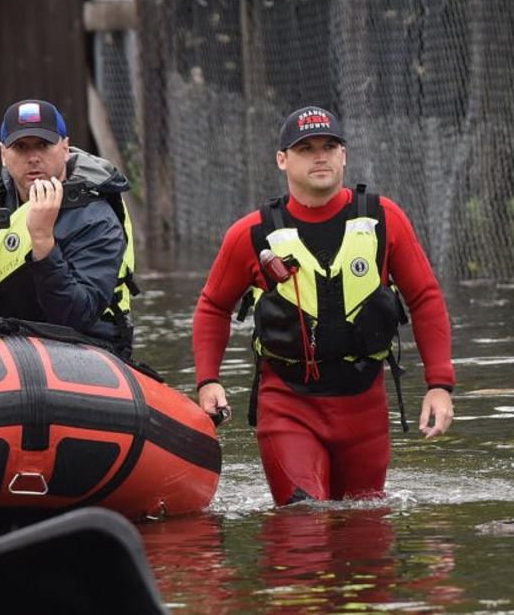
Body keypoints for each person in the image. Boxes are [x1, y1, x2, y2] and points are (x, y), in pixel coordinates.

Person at [192, 105, 455, 505]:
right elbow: (213, 306)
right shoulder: (252, 233)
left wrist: (439, 385)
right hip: (288, 405)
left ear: (344, 155)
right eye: (306, 148)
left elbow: (425, 298)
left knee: (365, 537)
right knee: (304, 528)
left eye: (330, 146)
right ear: (282, 160)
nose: (320, 156)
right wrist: (208, 379)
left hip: (364, 407)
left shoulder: (385, 219)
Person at [0, 99, 138, 358]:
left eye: (43, 145)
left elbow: (77, 315)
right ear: (3, 154)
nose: (33, 158)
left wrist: (44, 242)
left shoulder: (96, 217)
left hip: (79, 351)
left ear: (65, 148)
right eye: (20, 147)